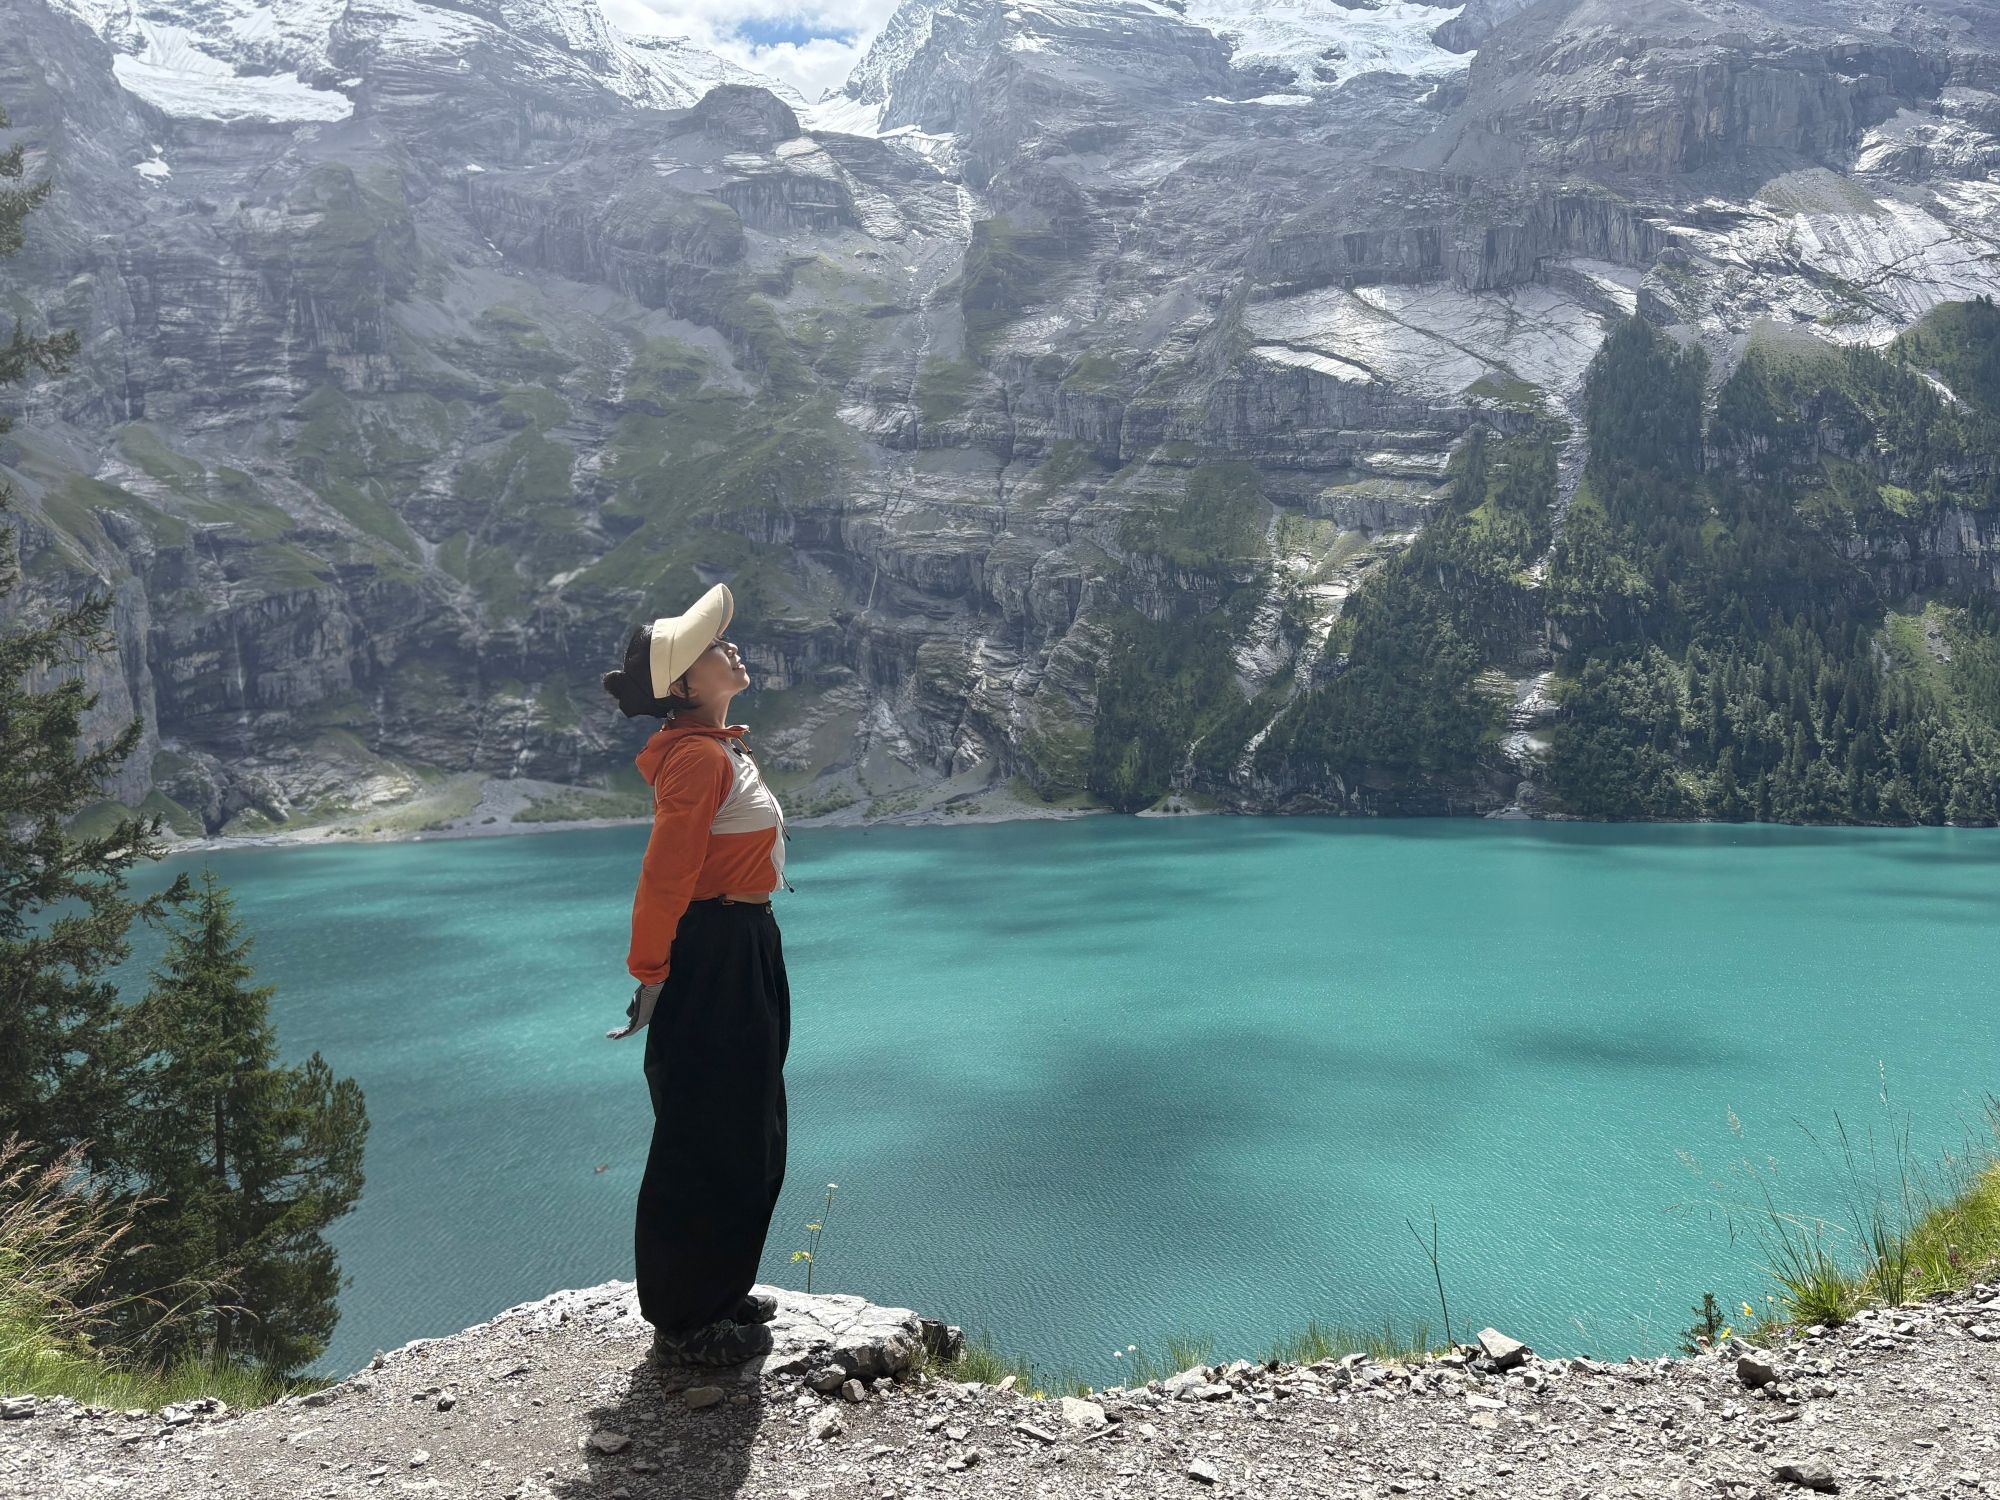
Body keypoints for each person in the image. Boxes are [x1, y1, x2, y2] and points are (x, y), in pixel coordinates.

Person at [599, 582, 795, 1370]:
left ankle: (720, 1289)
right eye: (714, 646)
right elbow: (663, 879)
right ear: (682, 684)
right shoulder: (696, 759)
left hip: (743, 941)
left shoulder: (718, 748)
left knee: (747, 1121)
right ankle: (686, 1317)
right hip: (715, 948)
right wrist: (651, 975)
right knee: (709, 1126)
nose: (732, 648)